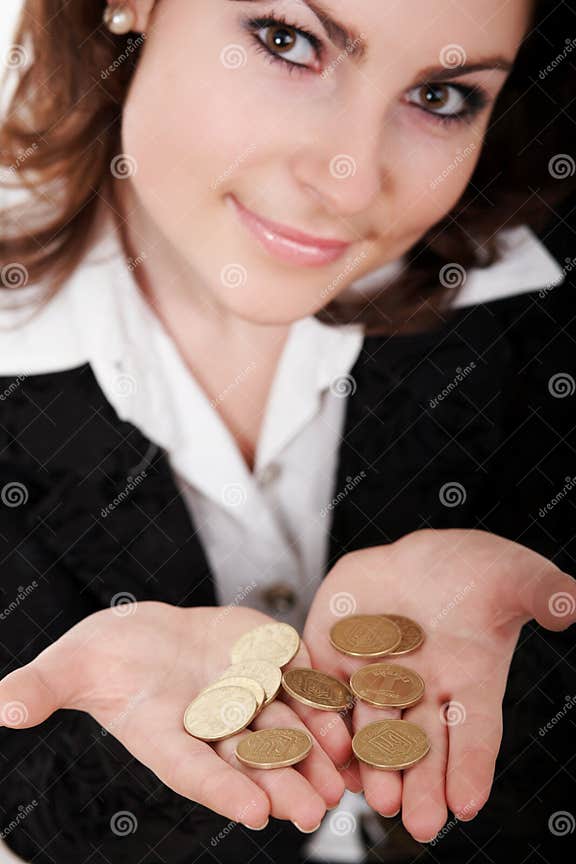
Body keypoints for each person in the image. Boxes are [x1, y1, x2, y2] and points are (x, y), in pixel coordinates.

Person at [0, 1, 574, 863]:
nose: (350, 182)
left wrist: (540, 653)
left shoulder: (543, 302)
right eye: (288, 42)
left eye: (443, 96)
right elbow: (41, 800)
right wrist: (134, 761)